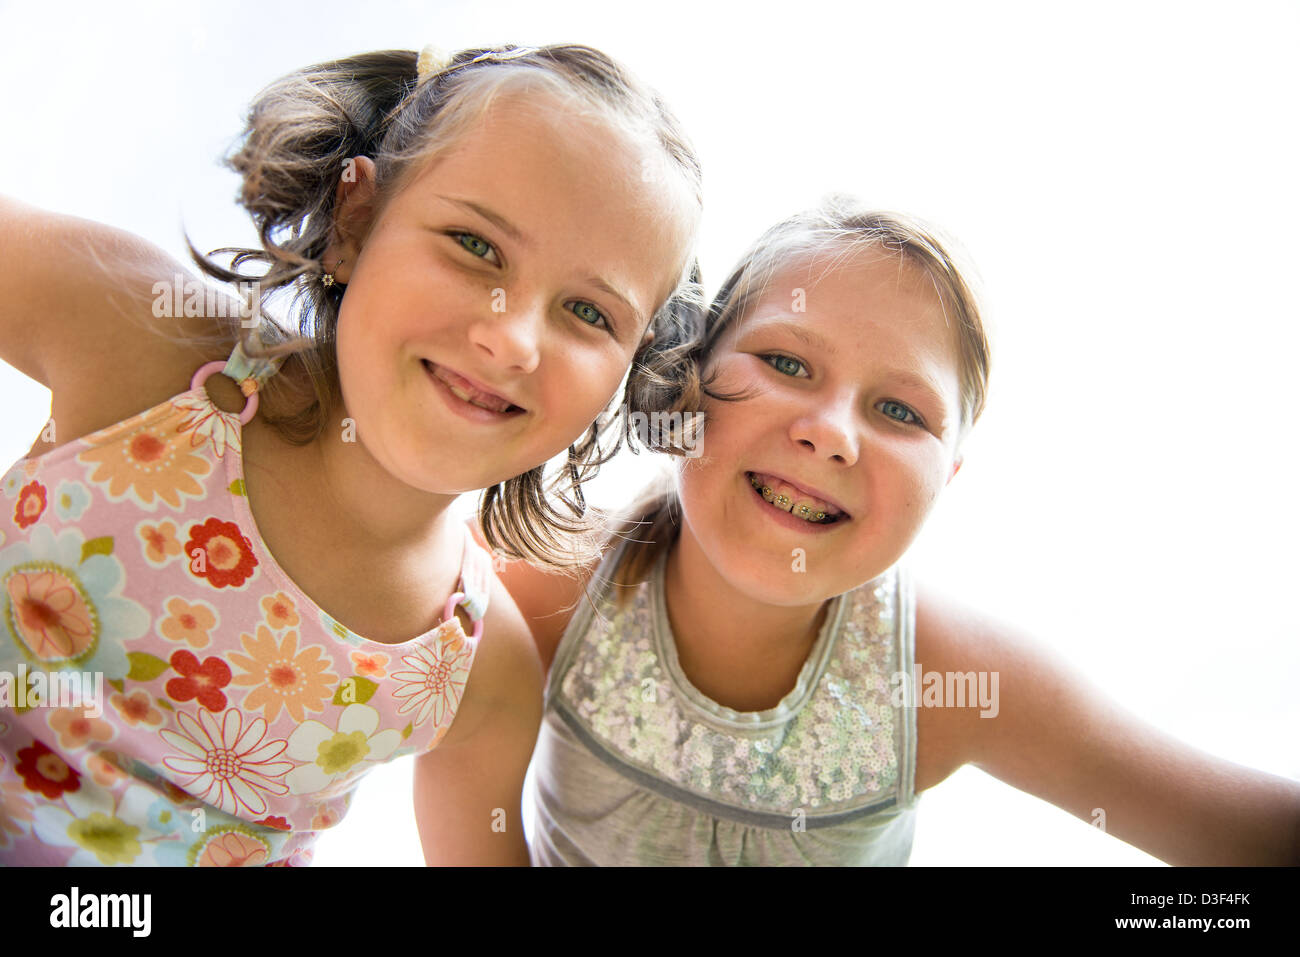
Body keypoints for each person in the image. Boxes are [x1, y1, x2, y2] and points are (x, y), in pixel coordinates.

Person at [0, 42, 703, 866]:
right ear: (355, 221)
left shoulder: (480, 673)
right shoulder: (147, 348)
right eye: (475, 247)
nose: (510, 339)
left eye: (588, 311)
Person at [484, 198, 1300, 865]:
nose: (832, 431)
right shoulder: (549, 582)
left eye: (900, 410)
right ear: (682, 383)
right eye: (787, 363)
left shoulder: (944, 674)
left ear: (944, 482)